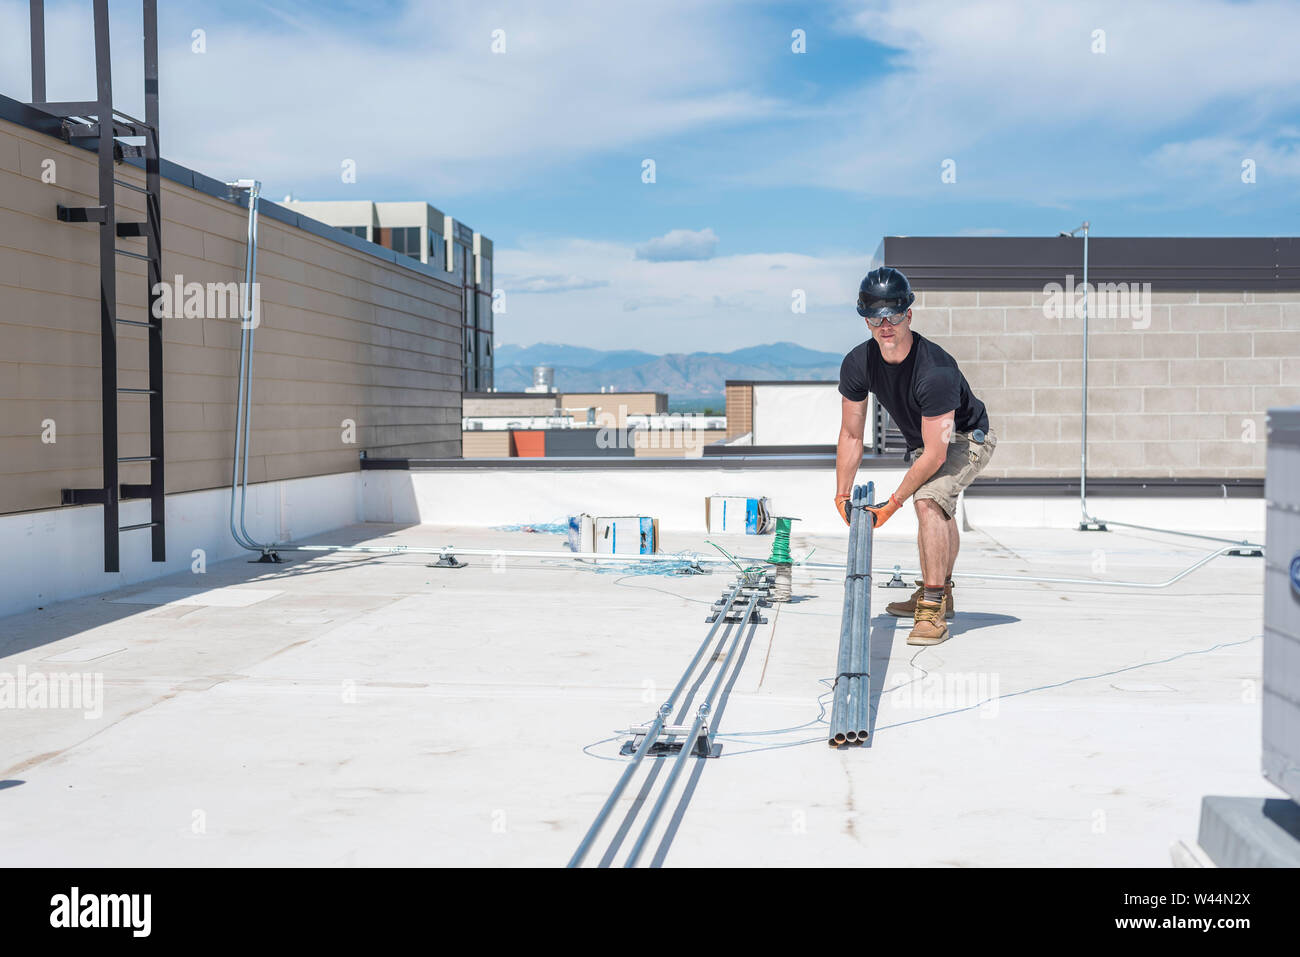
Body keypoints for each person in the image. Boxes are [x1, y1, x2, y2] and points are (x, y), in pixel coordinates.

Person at [834, 266, 996, 646]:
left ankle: (932, 608)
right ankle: (940, 593)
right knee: (937, 506)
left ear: (909, 314)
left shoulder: (935, 370)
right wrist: (841, 493)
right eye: (874, 316)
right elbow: (851, 433)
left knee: (927, 502)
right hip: (929, 443)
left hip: (966, 438)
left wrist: (891, 505)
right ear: (865, 319)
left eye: (892, 314)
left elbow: (938, 454)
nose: (884, 323)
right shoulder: (858, 363)